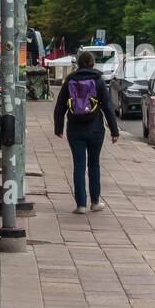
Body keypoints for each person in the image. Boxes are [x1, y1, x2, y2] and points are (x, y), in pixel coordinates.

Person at [53, 49, 119, 214]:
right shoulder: (98, 81)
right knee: (94, 165)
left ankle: (81, 205)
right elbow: (108, 107)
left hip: (75, 129)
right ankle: (95, 202)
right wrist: (114, 130)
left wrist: (58, 128)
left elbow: (60, 106)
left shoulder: (70, 81)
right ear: (92, 64)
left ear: (78, 64)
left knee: (79, 166)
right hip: (96, 129)